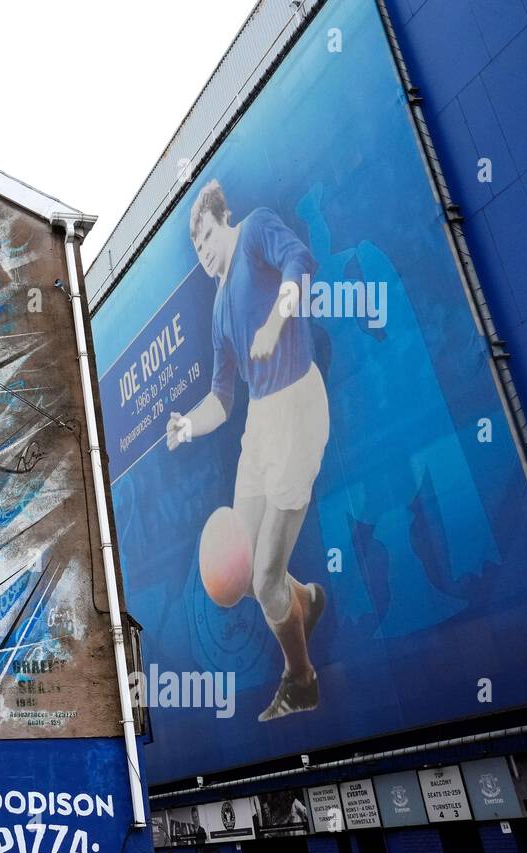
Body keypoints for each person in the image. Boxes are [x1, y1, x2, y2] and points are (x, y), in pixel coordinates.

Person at [166, 180, 329, 721]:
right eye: (197, 248)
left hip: (297, 411)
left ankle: (301, 680)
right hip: (258, 424)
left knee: (262, 581)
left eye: (207, 237)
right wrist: (188, 425)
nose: (205, 251)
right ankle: (305, 599)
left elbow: (301, 261)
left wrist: (278, 318)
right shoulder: (217, 311)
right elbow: (220, 398)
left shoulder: (257, 226)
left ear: (225, 219)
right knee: (244, 561)